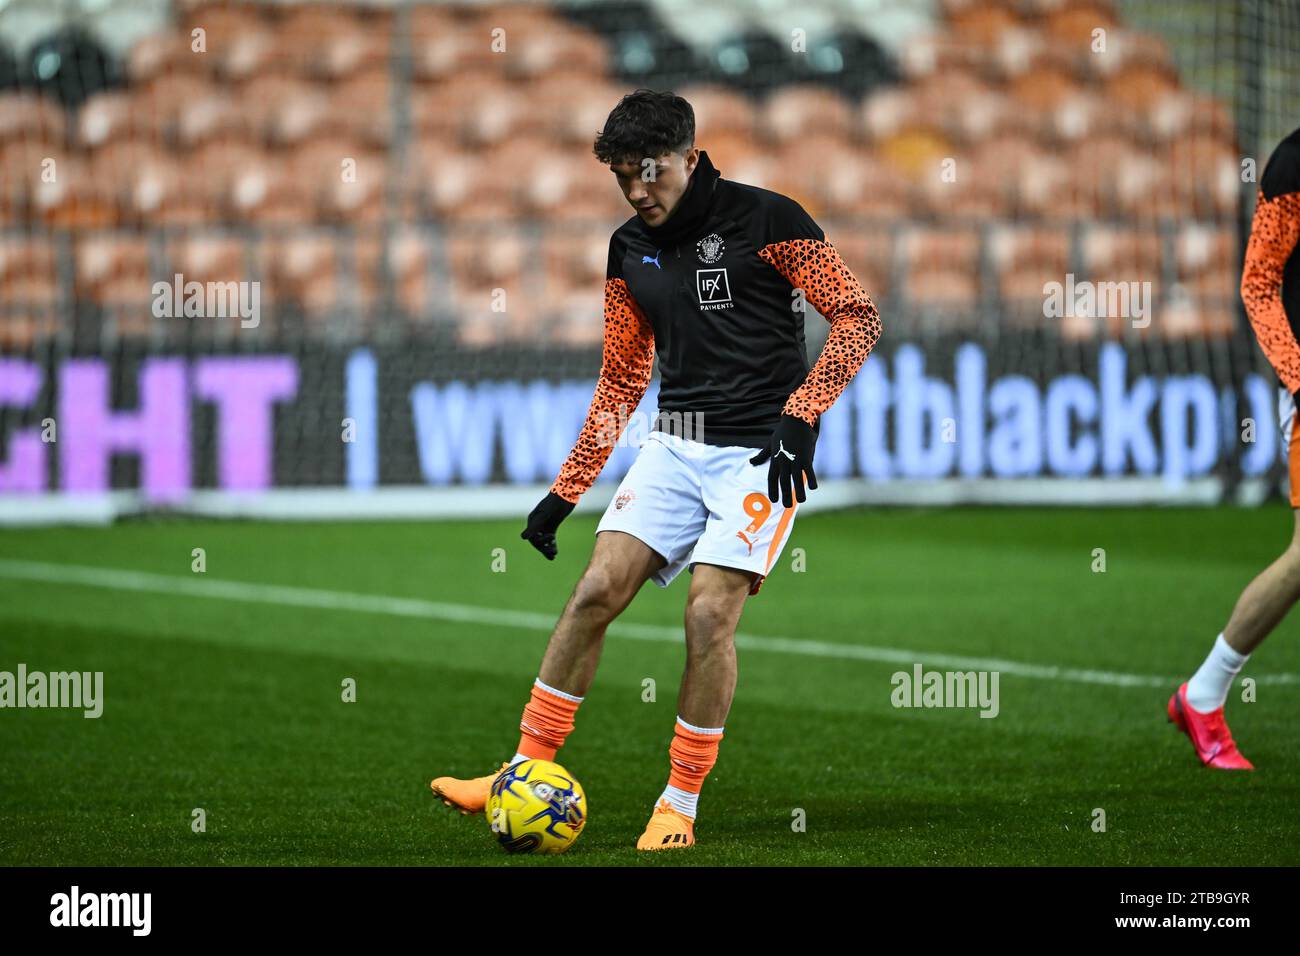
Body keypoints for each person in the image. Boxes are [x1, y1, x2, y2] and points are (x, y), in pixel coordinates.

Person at [432, 89, 882, 847]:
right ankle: (519, 769)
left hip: (757, 457)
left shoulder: (772, 220)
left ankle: (678, 804)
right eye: (622, 176)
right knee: (594, 591)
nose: (639, 190)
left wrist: (802, 415)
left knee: (708, 613)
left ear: (689, 157)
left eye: (651, 171)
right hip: (675, 442)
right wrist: (562, 494)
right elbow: (621, 379)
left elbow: (858, 314)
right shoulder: (626, 248)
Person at [1170, 125, 1300, 770]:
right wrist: (1297, 376)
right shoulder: (1295, 163)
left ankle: (1201, 692)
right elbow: (1258, 285)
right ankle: (1204, 691)